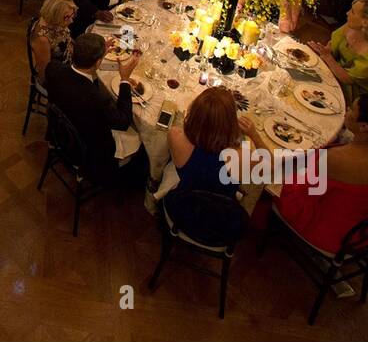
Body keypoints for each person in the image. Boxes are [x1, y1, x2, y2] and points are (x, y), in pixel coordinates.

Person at [271, 93, 368, 254]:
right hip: (366, 225)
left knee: (270, 174)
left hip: (335, 233)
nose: (347, 110)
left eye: (352, 109)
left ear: (364, 126)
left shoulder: (337, 158)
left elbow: (302, 193)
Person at [43, 33, 143, 184]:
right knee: (141, 137)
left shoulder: (53, 68)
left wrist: (99, 51)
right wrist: (124, 80)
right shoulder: (97, 99)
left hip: (60, 133)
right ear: (97, 63)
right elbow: (123, 122)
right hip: (89, 152)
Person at [163, 87, 247, 243]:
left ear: (195, 114)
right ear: (231, 121)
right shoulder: (240, 156)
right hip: (222, 225)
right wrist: (254, 134)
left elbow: (183, 128)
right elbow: (270, 162)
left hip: (184, 211)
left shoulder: (176, 136)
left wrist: (193, 115)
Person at [309, 0, 368, 101]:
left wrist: (327, 57)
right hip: (334, 68)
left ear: (365, 22)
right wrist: (324, 51)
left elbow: (348, 79)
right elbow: (333, 45)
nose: (347, 13)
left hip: (355, 92)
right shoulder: (351, 26)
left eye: (352, 12)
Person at [30, 0, 77, 79]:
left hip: (68, 63)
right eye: (67, 17)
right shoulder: (42, 39)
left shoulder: (55, 22)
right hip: (57, 75)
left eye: (72, 16)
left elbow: (67, 40)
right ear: (55, 15)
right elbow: (45, 75)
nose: (71, 21)